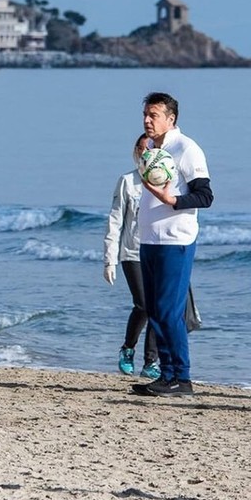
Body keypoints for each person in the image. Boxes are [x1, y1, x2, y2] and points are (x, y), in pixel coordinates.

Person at [132, 92, 213, 397]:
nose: (147, 120)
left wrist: (173, 200)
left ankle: (183, 377)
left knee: (169, 311)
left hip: (176, 240)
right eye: (145, 115)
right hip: (150, 239)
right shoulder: (151, 149)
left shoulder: (187, 148)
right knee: (154, 310)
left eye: (153, 115)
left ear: (171, 119)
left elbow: (205, 196)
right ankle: (166, 376)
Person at [103, 134, 160, 379]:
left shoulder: (166, 180)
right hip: (132, 252)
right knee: (144, 304)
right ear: (136, 151)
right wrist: (109, 259)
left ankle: (151, 362)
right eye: (142, 148)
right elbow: (115, 221)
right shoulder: (128, 181)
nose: (146, 153)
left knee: (160, 308)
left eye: (152, 148)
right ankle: (128, 349)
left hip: (159, 251)